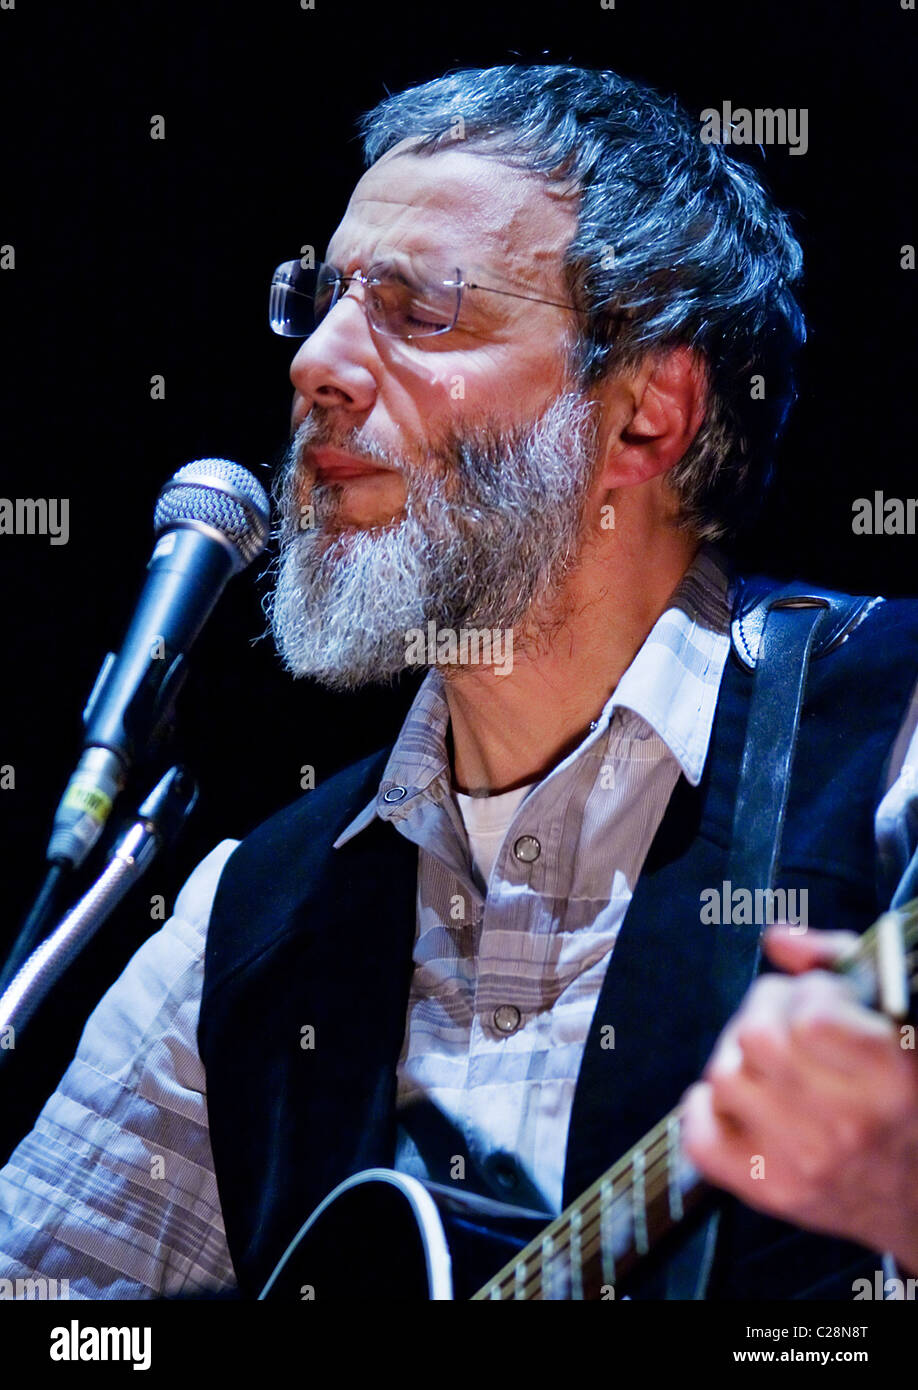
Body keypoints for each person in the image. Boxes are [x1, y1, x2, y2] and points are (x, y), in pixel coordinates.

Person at [1, 63, 917, 1302]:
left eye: (420, 308)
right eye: (319, 300)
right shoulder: (245, 918)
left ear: (646, 418)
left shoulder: (894, 735)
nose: (316, 364)